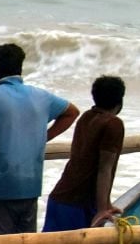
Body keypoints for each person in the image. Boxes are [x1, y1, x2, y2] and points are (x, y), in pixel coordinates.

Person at [0, 43, 80, 235]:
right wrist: (43, 137)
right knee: (26, 239)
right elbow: (72, 112)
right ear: (20, 68)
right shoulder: (41, 96)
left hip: (0, 187)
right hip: (30, 186)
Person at [43, 75, 127, 231]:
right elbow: (104, 168)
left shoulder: (87, 117)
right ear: (119, 101)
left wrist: (106, 203)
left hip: (61, 199)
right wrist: (103, 209)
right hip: (76, 205)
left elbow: (86, 160)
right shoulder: (113, 123)